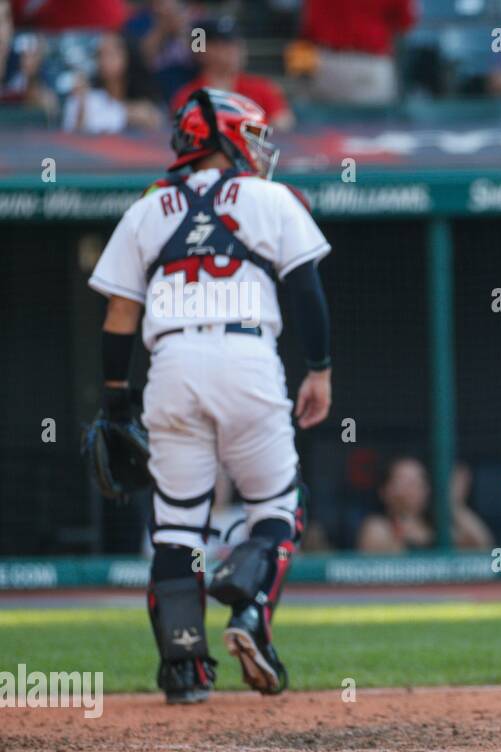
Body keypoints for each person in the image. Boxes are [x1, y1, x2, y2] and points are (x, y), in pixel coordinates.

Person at [88, 88, 332, 703]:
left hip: (170, 365)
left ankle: (183, 668)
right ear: (224, 136)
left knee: (175, 527)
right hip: (248, 358)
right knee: (278, 506)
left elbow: (120, 314)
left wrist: (116, 397)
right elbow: (306, 292)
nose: (258, 146)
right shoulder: (271, 198)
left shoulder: (148, 207)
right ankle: (248, 610)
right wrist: (320, 369)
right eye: (249, 134)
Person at [170, 17, 294, 129]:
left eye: (235, 44)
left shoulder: (262, 88)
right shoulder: (189, 96)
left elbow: (284, 123)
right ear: (201, 50)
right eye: (220, 45)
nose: (232, 51)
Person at [357, 457, 494, 552]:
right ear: (385, 491)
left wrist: (454, 505)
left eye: (418, 480)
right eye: (404, 481)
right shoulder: (378, 527)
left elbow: (483, 547)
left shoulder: (439, 531)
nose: (413, 487)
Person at [298, 0, 417, 106]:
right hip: (367, 65)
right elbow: (405, 22)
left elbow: (307, 26)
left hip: (326, 61)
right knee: (372, 126)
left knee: (325, 127)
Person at [62, 32, 161, 133]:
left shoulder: (145, 102)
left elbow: (156, 128)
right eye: (100, 54)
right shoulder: (84, 98)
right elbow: (72, 137)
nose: (104, 60)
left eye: (112, 53)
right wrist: (82, 105)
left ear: (128, 56)